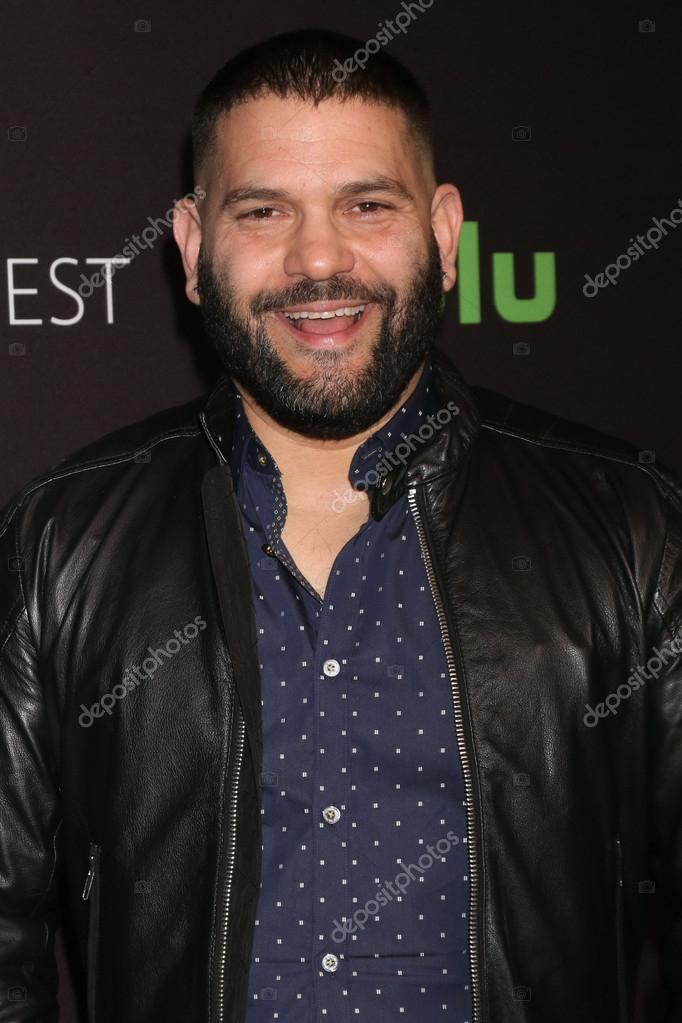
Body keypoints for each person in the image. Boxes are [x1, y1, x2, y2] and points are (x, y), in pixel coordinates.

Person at [1, 28, 681, 1023]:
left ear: (444, 236)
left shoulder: (632, 526)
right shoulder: (62, 540)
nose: (318, 258)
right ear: (192, 250)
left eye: (366, 205)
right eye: (263, 209)